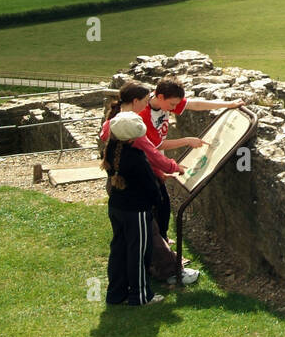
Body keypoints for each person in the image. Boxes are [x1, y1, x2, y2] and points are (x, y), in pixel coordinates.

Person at [99, 82, 204, 288]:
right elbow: (152, 154)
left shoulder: (114, 128)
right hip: (134, 199)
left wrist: (159, 173)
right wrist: (174, 168)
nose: (148, 104)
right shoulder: (134, 134)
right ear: (136, 101)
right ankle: (168, 273)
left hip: (118, 197)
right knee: (149, 233)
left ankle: (118, 287)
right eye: (146, 101)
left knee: (125, 241)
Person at [144, 79, 245, 284]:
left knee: (163, 207)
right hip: (150, 166)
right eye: (172, 105)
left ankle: (162, 245)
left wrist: (228, 104)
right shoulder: (143, 115)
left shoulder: (161, 104)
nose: (174, 109)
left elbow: (195, 104)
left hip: (157, 165)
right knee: (158, 207)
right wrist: (187, 141)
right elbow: (155, 145)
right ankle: (161, 259)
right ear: (159, 96)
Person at [102, 111, 165, 306]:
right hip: (136, 211)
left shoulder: (111, 150)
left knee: (119, 249)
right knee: (138, 252)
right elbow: (150, 185)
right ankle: (140, 295)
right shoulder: (137, 157)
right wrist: (157, 201)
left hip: (117, 206)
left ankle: (115, 293)